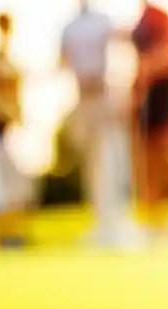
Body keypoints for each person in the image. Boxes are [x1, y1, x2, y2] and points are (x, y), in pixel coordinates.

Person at [60, 0, 121, 246]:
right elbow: (62, 61)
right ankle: (100, 221)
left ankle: (116, 219)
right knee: (92, 162)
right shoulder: (69, 28)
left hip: (104, 95)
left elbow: (121, 46)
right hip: (83, 99)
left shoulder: (103, 21)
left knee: (112, 156)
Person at [129, 0, 168, 232]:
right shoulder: (141, 19)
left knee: (163, 148)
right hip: (146, 88)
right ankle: (153, 215)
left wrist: (145, 76)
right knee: (145, 151)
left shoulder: (160, 17)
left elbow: (164, 51)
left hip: (161, 84)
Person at [0, 12, 31, 249]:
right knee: (1, 184)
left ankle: (15, 232)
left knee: (16, 182)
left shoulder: (11, 60)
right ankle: (2, 234)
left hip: (11, 128)